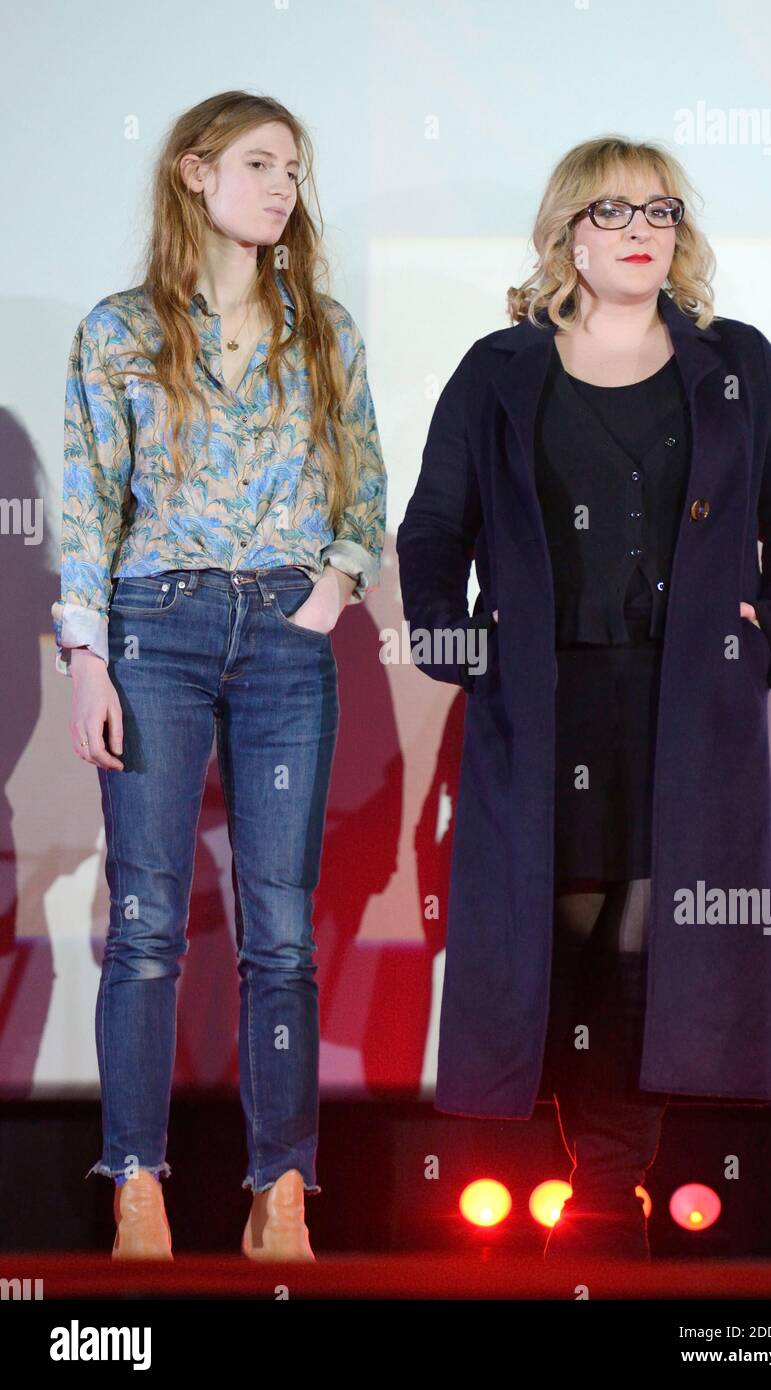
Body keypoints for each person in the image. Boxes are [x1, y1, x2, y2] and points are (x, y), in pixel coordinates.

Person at [396, 135, 771, 1260]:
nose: (640, 229)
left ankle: (603, 1195)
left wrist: (770, 632)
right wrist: (454, 644)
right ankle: (575, 1172)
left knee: (651, 949)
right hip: (542, 702)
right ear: (564, 235)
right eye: (611, 211)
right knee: (562, 945)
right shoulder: (499, 368)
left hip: (685, 706)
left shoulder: (732, 363)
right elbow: (433, 525)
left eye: (659, 209)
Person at [51, 90, 386, 1261]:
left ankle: (277, 1190)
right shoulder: (118, 330)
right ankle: (136, 1184)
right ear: (195, 172)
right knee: (145, 922)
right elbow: (89, 504)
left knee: (280, 934)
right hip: (156, 628)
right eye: (258, 161)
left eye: (294, 165)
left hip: (286, 640)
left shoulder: (324, 329)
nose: (282, 184)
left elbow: (364, 493)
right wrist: (85, 657)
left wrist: (329, 596)